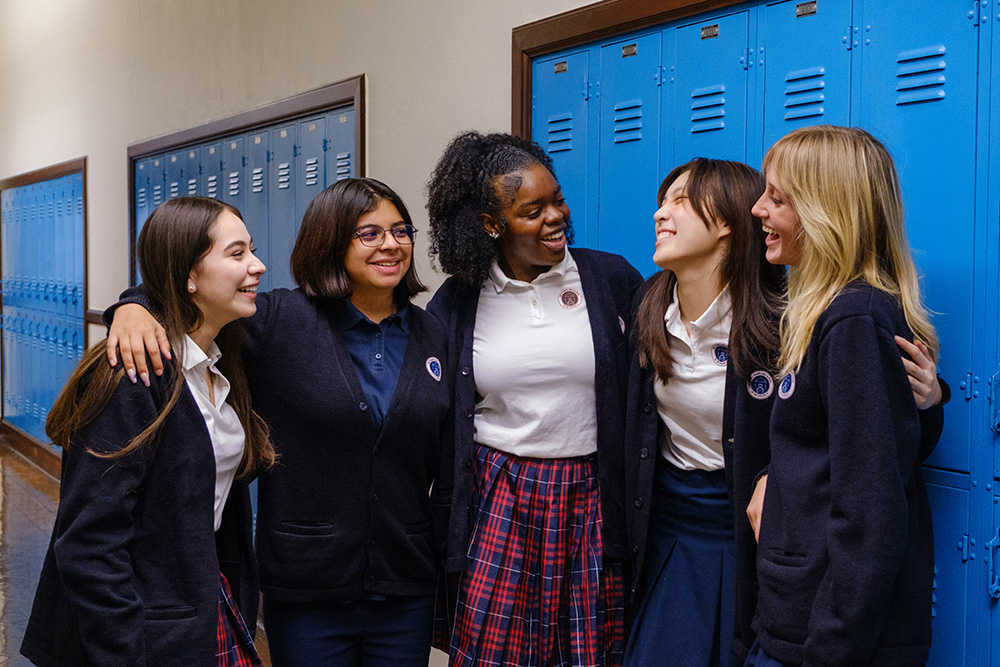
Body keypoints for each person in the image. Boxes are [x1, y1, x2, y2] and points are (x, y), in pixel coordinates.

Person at [102, 178, 452, 667]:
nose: (391, 244)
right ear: (331, 241)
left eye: (400, 231)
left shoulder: (433, 332)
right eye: (369, 233)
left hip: (405, 582)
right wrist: (132, 307)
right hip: (307, 586)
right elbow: (190, 292)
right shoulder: (278, 320)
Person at [622, 159, 946, 667]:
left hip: (754, 537)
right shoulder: (646, 306)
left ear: (726, 221)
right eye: (663, 200)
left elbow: (860, 445)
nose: (661, 213)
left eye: (680, 200)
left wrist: (928, 403)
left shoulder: (790, 318)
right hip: (671, 525)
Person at [20, 196, 275, 666]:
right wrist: (124, 651)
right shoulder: (132, 377)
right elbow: (88, 542)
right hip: (140, 631)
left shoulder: (224, 353)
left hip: (195, 602)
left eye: (251, 250)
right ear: (188, 275)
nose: (258, 266)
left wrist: (130, 305)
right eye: (237, 254)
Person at [426, 131, 643, 667]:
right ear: (491, 224)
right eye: (533, 210)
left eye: (558, 199)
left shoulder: (608, 278)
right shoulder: (460, 300)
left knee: (589, 651)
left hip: (591, 496)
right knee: (494, 651)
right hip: (499, 496)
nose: (556, 217)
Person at [744, 125, 938, 666]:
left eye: (777, 197)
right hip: (797, 618)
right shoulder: (826, 312)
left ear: (826, 212)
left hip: (823, 641)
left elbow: (870, 512)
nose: (758, 209)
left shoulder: (852, 319)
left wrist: (830, 651)